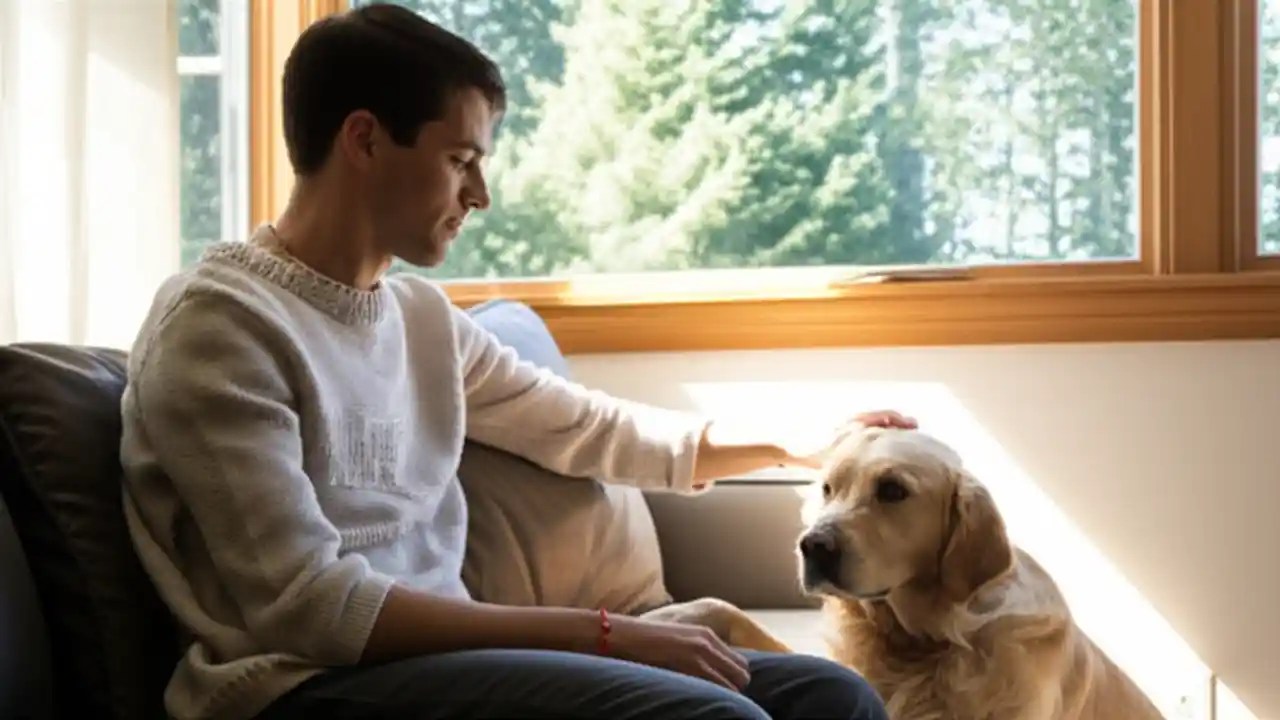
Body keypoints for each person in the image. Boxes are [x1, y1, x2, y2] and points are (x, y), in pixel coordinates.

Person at [120, 4, 914, 719]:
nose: (481, 195)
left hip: (448, 667)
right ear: (364, 139)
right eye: (460, 159)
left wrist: (791, 443)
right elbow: (313, 608)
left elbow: (588, 428)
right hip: (299, 684)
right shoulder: (220, 326)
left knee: (831, 697)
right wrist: (605, 635)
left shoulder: (420, 319)